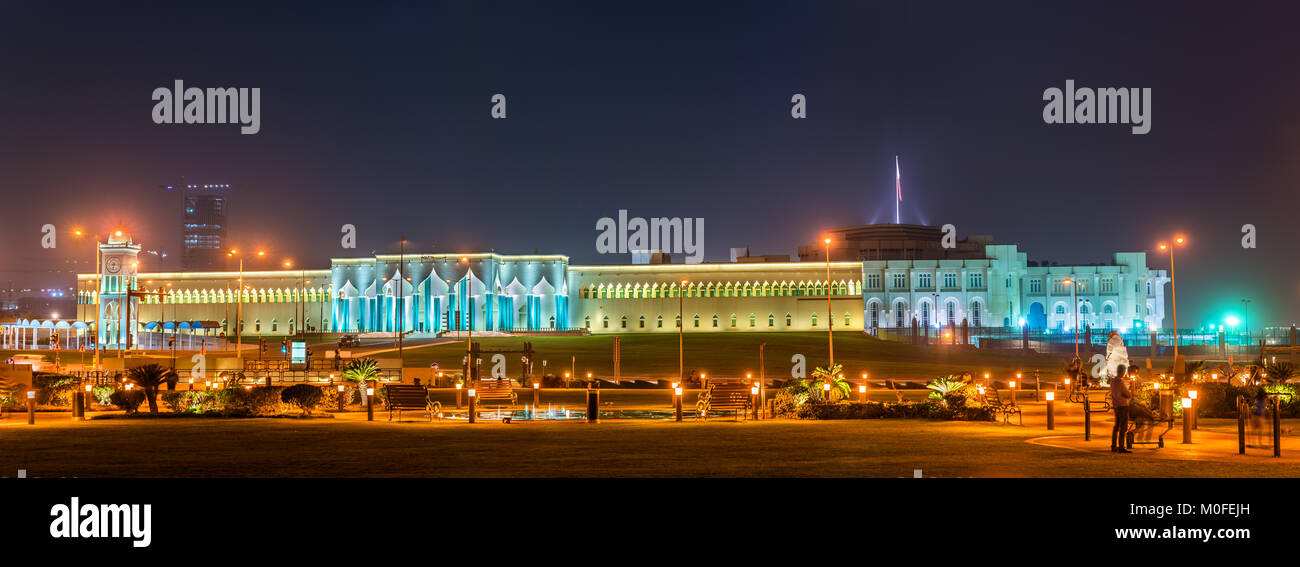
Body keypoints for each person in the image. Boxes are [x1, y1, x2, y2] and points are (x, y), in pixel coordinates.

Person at [1110, 364, 1133, 453]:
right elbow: (1128, 394)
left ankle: (1113, 445)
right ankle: (1121, 446)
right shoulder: (1120, 381)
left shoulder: (1112, 381)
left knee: (1116, 426)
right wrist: (1129, 393)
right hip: (1123, 405)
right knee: (1123, 427)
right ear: (1123, 372)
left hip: (1116, 405)